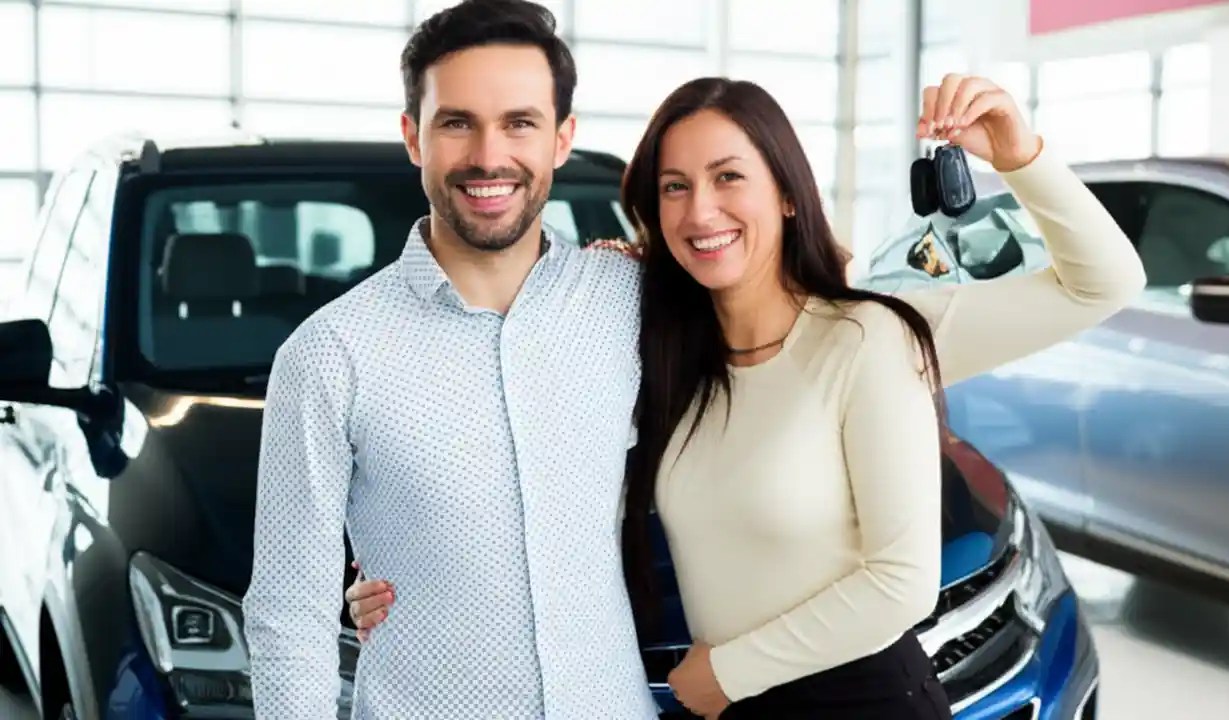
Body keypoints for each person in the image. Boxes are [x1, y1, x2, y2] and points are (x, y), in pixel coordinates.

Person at [347, 70, 1147, 717]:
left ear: (787, 192)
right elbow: (508, 447)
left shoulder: (871, 335)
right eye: (674, 187)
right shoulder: (653, 348)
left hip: (852, 698)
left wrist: (1017, 152)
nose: (701, 210)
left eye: (730, 177)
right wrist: (391, 567)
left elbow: (1106, 283)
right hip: (726, 703)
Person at [240, 1, 658, 718]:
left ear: (562, 139)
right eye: (457, 122)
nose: (489, 157)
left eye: (520, 123)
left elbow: (805, 311)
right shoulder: (328, 355)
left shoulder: (630, 302)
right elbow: (289, 615)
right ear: (413, 137)